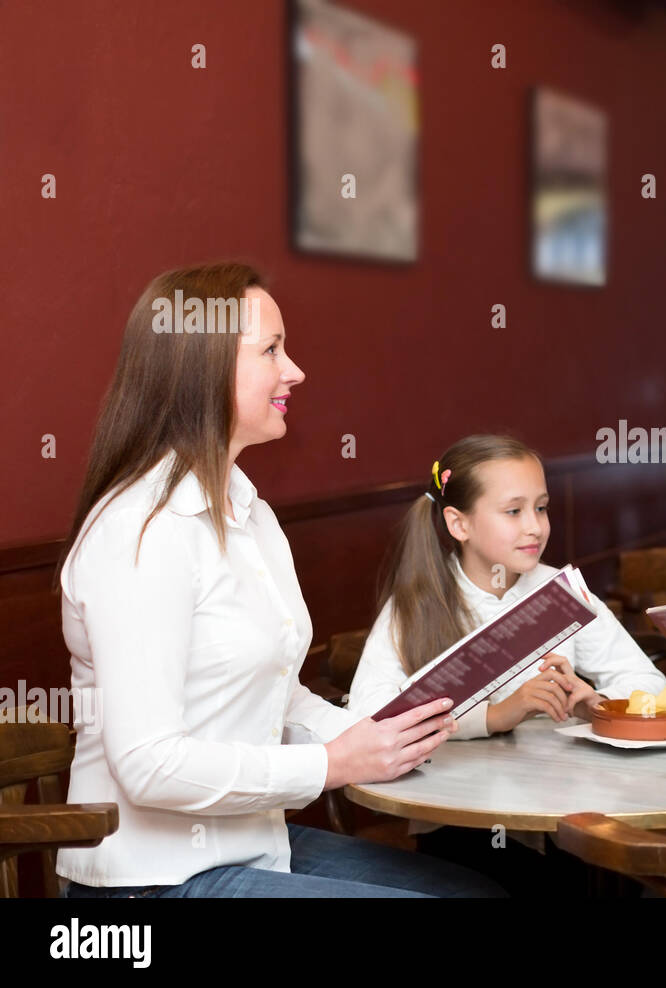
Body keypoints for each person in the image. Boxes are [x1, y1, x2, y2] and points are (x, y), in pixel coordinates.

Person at [57, 262, 502, 897]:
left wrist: (380, 735)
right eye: (271, 350)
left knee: (478, 892)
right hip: (151, 881)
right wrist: (331, 764)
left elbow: (275, 694)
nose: (296, 370)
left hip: (250, 846)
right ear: (201, 366)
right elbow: (147, 765)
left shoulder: (252, 514)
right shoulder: (140, 532)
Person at [346, 434, 666, 896]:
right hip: (459, 823)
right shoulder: (417, 605)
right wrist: (496, 716)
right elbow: (367, 717)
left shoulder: (561, 591)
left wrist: (594, 703)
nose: (535, 527)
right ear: (459, 523)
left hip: (567, 815)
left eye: (542, 507)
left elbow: (649, 687)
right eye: (513, 511)